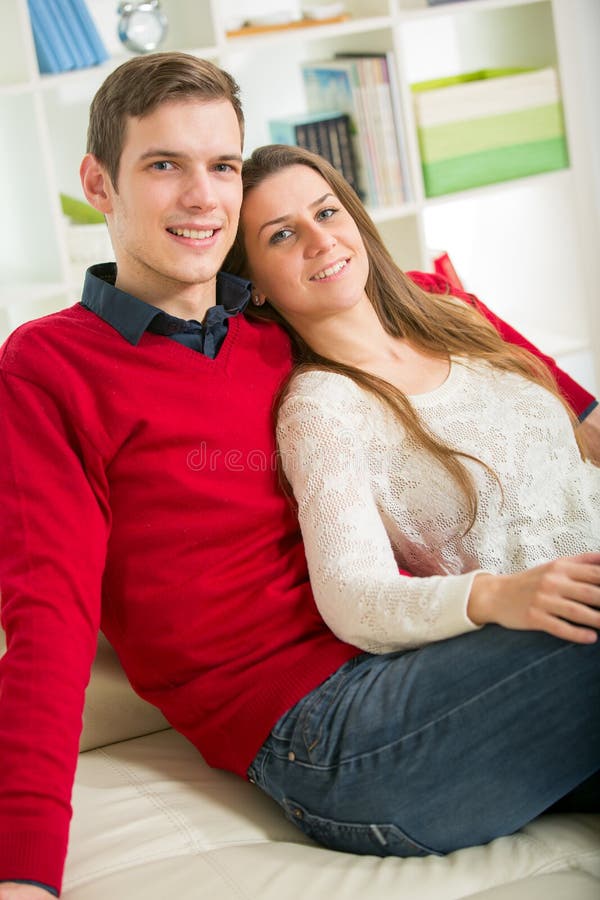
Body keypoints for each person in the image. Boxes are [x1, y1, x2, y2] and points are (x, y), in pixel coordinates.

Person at [0, 55, 598, 898]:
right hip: (325, 733)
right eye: (163, 165)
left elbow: (452, 331)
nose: (203, 196)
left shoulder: (286, 327)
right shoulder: (50, 366)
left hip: (437, 664)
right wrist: (22, 869)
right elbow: (47, 615)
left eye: (223, 167)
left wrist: (492, 342)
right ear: (99, 182)